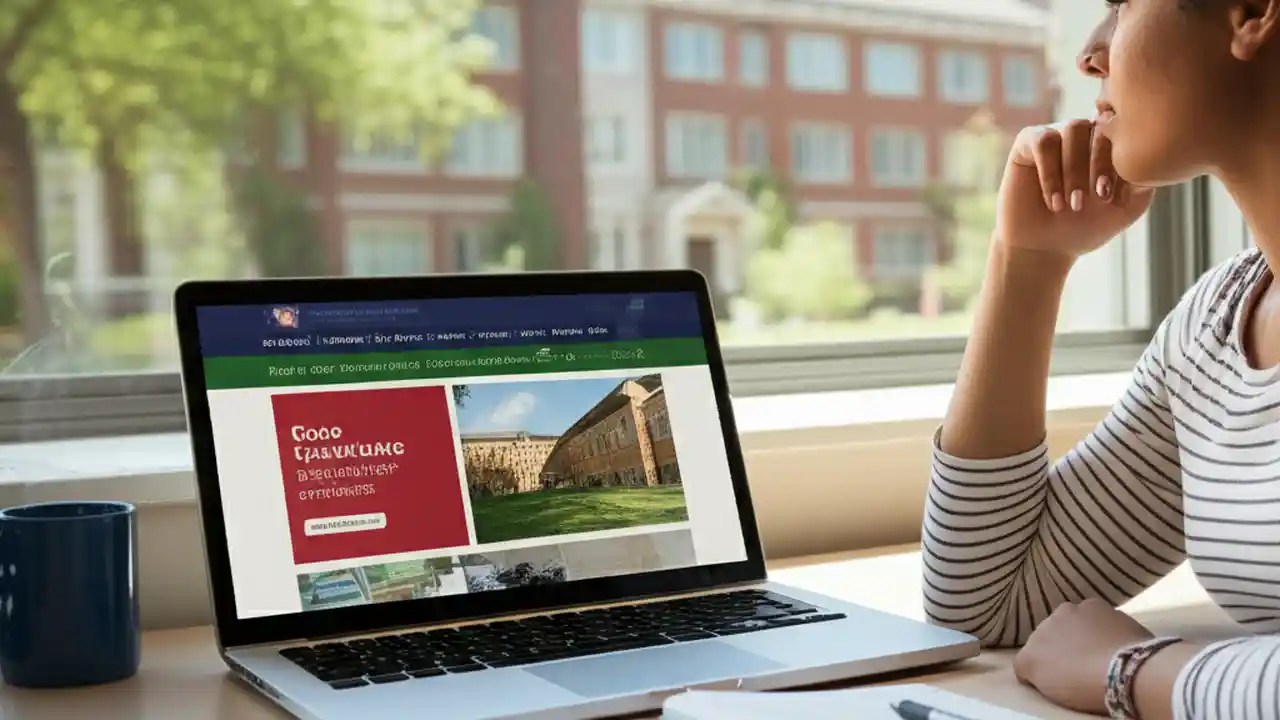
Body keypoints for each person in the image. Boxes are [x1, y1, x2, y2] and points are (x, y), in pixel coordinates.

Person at [923, 1, 1280, 718]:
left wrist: (1132, 670)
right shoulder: (1216, 328)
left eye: (1121, 5)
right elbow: (988, 599)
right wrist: (1026, 263)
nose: (1091, 51)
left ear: (1248, 13)